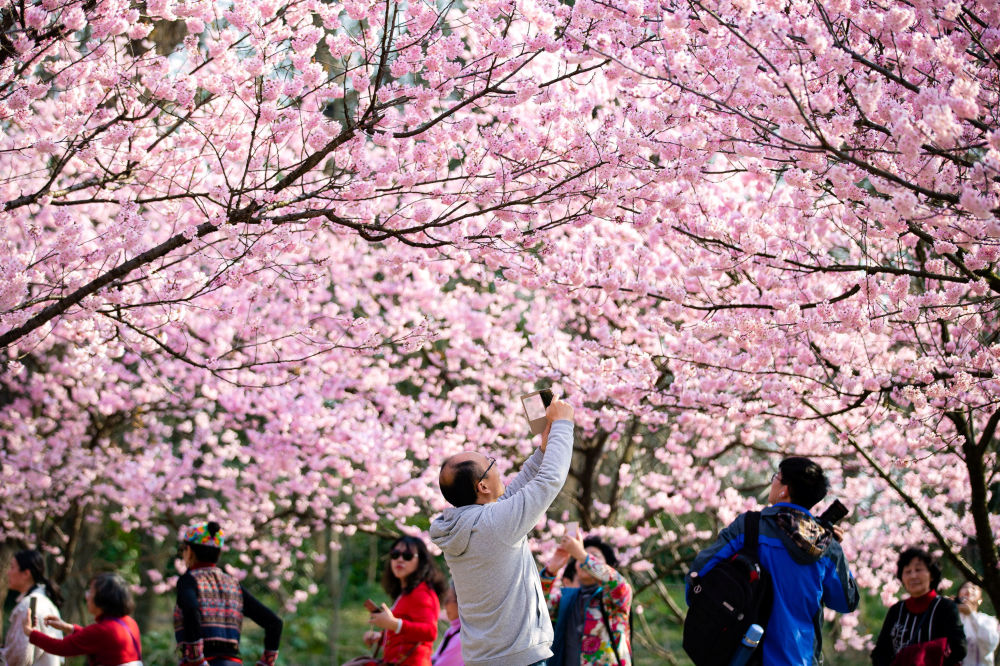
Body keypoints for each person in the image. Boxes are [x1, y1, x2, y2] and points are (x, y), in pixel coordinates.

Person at [430, 398, 575, 666]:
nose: (496, 466)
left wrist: (542, 451)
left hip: (482, 657)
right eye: (490, 463)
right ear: (483, 487)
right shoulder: (496, 523)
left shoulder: (462, 525)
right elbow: (550, 480)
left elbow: (512, 495)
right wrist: (564, 425)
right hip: (519, 659)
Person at [688, 456, 860, 666]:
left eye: (776, 477)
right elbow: (846, 601)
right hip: (801, 659)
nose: (773, 482)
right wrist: (836, 550)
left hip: (744, 655)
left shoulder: (748, 527)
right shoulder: (827, 546)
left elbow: (699, 573)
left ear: (784, 490)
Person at [174, 521, 283, 666]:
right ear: (218, 553)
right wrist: (266, 662)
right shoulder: (234, 585)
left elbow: (191, 608)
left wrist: (196, 658)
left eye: (184, 549)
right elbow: (274, 623)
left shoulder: (189, 581)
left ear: (190, 551)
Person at [540, 532, 633, 665]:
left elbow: (618, 584)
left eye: (594, 556)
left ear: (607, 565)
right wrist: (551, 570)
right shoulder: (564, 598)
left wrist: (582, 555)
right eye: (579, 557)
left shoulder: (613, 600)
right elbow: (536, 607)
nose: (584, 561)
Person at [871, 547, 967, 665]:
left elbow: (959, 648)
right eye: (907, 571)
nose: (913, 576)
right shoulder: (896, 610)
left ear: (931, 575)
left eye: (918, 569)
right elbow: (880, 652)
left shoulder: (945, 607)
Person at [24, 572, 141, 666]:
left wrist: (31, 633)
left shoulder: (103, 630)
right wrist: (67, 627)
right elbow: (94, 638)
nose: (87, 596)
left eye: (91, 592)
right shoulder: (129, 622)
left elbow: (61, 647)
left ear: (102, 598)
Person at [362, 536, 445, 666]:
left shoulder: (421, 593)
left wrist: (394, 624)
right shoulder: (406, 593)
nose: (399, 559)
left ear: (421, 561)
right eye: (395, 555)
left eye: (407, 556)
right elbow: (405, 635)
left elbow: (430, 632)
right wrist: (381, 637)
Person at [1, 550, 64, 666]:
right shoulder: (45, 600)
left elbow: (20, 657)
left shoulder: (28, 605)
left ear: (26, 573)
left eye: (12, 567)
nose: (8, 572)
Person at [955, 582, 998, 666]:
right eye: (965, 587)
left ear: (980, 600)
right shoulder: (951, 617)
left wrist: (971, 614)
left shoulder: (988, 620)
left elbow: (990, 642)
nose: (968, 590)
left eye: (974, 588)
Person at [431, 581, 463, 666]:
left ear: (460, 602)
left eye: (447, 600)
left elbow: (440, 664)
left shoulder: (460, 637)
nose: (445, 605)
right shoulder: (452, 630)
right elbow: (435, 658)